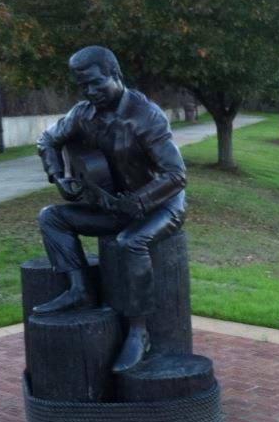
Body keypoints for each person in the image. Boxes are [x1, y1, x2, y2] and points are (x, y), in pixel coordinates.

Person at [33, 46, 187, 373]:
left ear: (115, 74)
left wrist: (139, 201)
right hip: (113, 204)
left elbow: (176, 175)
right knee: (51, 218)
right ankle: (79, 290)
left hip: (159, 205)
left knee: (133, 242)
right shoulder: (82, 113)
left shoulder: (146, 116)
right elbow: (47, 140)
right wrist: (59, 176)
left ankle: (139, 330)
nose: (90, 92)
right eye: (83, 86)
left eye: (96, 84)